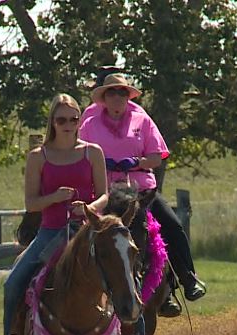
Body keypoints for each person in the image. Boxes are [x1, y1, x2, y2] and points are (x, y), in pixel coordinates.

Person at [0, 93, 110, 335]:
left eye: (73, 119)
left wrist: (89, 208)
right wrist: (54, 197)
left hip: (87, 229)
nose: (68, 125)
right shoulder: (38, 157)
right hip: (50, 231)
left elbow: (104, 194)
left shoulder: (93, 152)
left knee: (122, 273)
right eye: (62, 120)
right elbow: (31, 203)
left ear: (79, 121)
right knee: (13, 283)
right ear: (52, 122)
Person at [79, 73, 207, 311]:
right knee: (79, 229)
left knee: (172, 225)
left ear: (128, 96)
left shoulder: (142, 121)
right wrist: (101, 163)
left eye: (122, 92)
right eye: (112, 92)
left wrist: (137, 162)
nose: (117, 97)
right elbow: (80, 155)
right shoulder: (89, 124)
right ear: (104, 97)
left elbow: (157, 157)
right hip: (105, 191)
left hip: (140, 190)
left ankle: (183, 280)